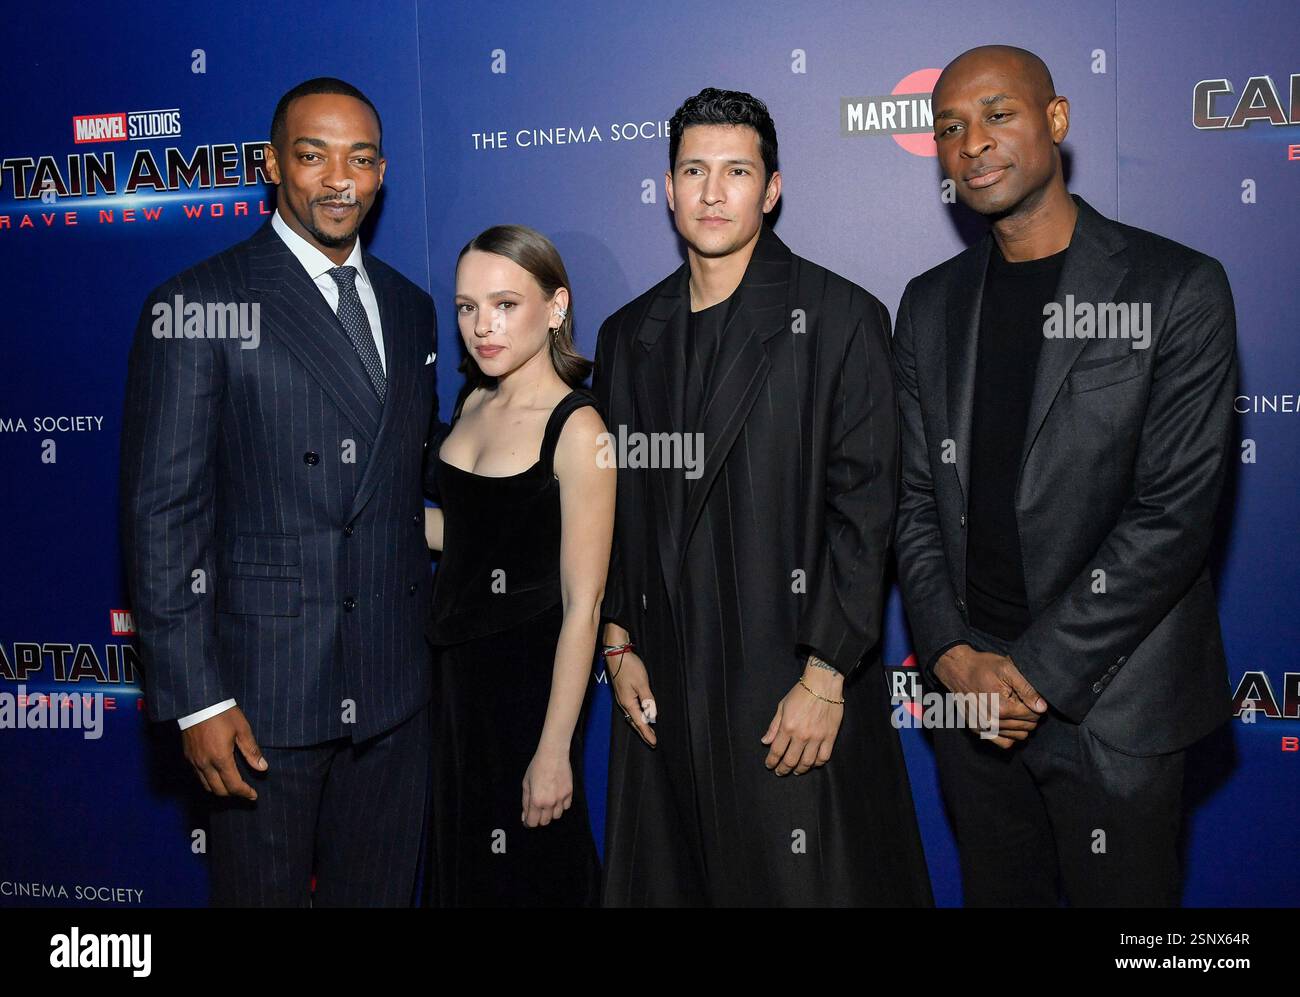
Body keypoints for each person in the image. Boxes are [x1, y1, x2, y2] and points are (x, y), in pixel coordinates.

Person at [893, 45, 1237, 906]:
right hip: (973, 702)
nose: (972, 142)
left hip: (1116, 703)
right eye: (949, 128)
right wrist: (952, 656)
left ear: (1056, 120)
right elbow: (915, 502)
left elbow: (1173, 516)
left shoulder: (1176, 287)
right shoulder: (928, 304)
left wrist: (1035, 673)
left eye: (998, 115)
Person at [593, 87, 932, 906]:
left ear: (771, 189)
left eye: (737, 171)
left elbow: (867, 514)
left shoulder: (841, 317)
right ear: (667, 188)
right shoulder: (626, 335)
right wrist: (616, 635)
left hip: (786, 691)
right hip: (663, 696)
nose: (713, 192)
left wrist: (825, 676)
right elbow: (619, 510)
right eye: (694, 171)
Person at [120, 78, 444, 906]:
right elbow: (163, 516)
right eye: (314, 155)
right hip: (263, 706)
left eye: (362, 158)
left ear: (382, 173)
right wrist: (196, 700)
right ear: (271, 165)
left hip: (395, 699)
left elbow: (405, 487)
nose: (340, 178)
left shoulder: (410, 308)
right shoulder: (198, 305)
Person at [423, 225, 611, 907]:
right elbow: (474, 535)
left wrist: (555, 746)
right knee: (464, 870)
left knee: (531, 875)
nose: (483, 326)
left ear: (556, 306)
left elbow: (582, 600)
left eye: (505, 304)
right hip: (451, 680)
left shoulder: (579, 426)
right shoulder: (473, 400)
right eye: (467, 307)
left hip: (525, 688)